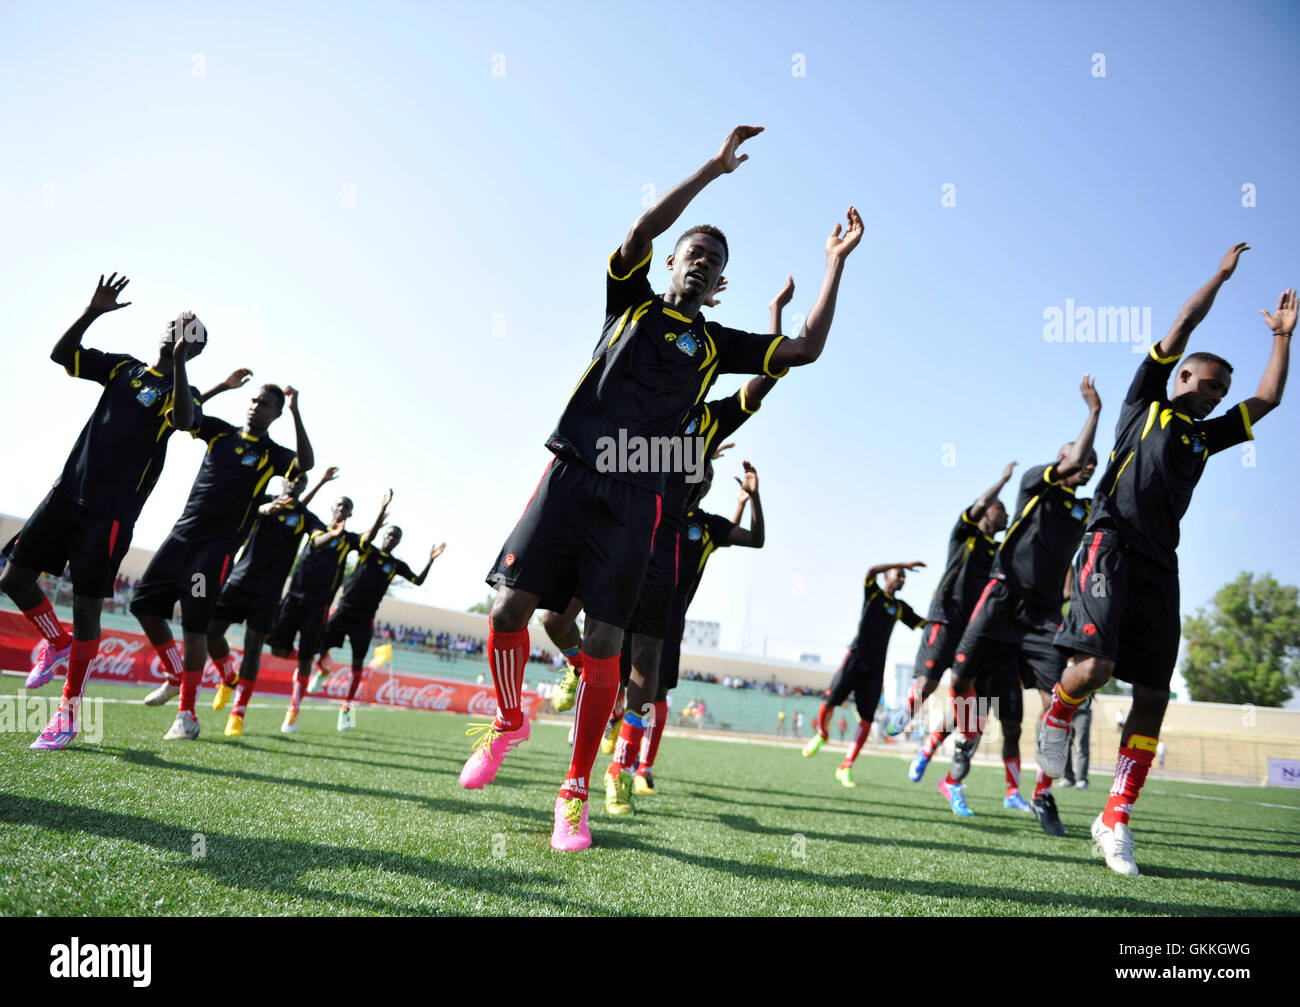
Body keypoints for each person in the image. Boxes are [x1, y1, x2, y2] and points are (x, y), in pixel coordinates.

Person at [462, 124, 863, 853]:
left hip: (637, 501)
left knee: (610, 643)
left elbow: (801, 350)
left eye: (715, 263)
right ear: (671, 261)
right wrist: (713, 169)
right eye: (694, 253)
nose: (703, 263)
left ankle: (576, 790)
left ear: (720, 286)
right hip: (573, 470)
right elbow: (640, 226)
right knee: (509, 606)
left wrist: (834, 263)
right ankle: (510, 718)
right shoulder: (630, 302)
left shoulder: (714, 349)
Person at [1047, 247, 1291, 875]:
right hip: (1109, 543)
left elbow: (1267, 399)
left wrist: (1282, 340)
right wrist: (1221, 278)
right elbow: (1182, 325)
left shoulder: (1206, 438)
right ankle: (1058, 710)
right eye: (1206, 383)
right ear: (1179, 377)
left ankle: (1115, 818)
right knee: (1095, 668)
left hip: (1162, 566)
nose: (1213, 395)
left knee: (1153, 694)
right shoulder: (1144, 404)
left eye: (1220, 391)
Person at [7, 274, 217, 750]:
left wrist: (182, 365)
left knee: (86, 613)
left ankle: (66, 714)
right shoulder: (124, 367)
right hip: (65, 494)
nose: (177, 328)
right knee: (14, 581)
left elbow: (185, 422)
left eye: (188, 329)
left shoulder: (184, 393)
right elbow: (63, 356)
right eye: (173, 323)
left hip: (109, 517)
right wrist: (92, 312)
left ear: (195, 348)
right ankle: (53, 642)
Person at [931, 376, 1101, 832]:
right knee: (961, 677)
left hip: (1045, 618)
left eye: (1092, 464)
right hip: (1001, 601)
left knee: (1057, 705)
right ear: (1061, 459)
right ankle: (963, 742)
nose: (1087, 466)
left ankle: (1043, 793)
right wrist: (1094, 414)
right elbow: (1074, 458)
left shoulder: (1086, 510)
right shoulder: (1033, 485)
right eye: (1079, 459)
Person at [133, 384, 314, 740]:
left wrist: (295, 411)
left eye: (265, 405)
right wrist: (216, 382)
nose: (256, 407)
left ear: (275, 414)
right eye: (253, 400)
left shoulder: (271, 454)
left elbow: (304, 464)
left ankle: (187, 716)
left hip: (213, 553)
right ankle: (175, 674)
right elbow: (182, 418)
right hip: (179, 540)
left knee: (195, 626)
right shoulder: (220, 432)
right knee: (143, 606)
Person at [204, 465, 338, 736]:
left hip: (268, 593)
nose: (296, 483)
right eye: (293, 478)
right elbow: (240, 511)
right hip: (239, 581)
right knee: (210, 634)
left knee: (253, 648)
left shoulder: (304, 517)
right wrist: (263, 510)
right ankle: (228, 678)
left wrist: (331, 536)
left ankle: (238, 713)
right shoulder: (263, 501)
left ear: (302, 488)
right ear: (284, 480)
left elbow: (317, 539)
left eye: (301, 481)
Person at [887, 463, 1014, 738]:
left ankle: (957, 742)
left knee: (967, 688)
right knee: (927, 686)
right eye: (1000, 509)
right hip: (945, 618)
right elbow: (979, 503)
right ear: (987, 512)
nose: (1006, 515)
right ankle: (907, 712)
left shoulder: (1001, 553)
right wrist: (1002, 481)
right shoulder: (964, 535)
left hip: (973, 629)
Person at [307, 490, 445, 731]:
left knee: (357, 663)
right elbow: (367, 535)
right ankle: (322, 669)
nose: (391, 538)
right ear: (384, 534)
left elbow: (417, 581)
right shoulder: (366, 549)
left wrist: (431, 561)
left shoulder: (395, 565)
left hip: (364, 618)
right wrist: (381, 512)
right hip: (344, 609)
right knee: (319, 645)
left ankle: (346, 708)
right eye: (389, 533)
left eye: (396, 536)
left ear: (398, 542)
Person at [803, 562, 925, 787]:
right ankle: (821, 733)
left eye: (904, 577)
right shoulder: (873, 593)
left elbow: (923, 624)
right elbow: (870, 571)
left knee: (867, 719)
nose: (902, 579)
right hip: (855, 657)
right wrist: (902, 563)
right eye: (899, 575)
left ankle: (846, 767)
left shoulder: (899, 607)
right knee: (829, 701)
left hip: (875, 667)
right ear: (887, 576)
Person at [267, 491, 361, 732]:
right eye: (339, 503)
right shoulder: (315, 524)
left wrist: (382, 513)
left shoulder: (349, 540)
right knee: (277, 648)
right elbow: (312, 530)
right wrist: (322, 483)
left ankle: (293, 710)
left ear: (350, 513)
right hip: (294, 597)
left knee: (305, 657)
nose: (342, 508)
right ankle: (315, 664)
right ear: (333, 507)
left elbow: (368, 538)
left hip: (319, 605)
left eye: (347, 507)